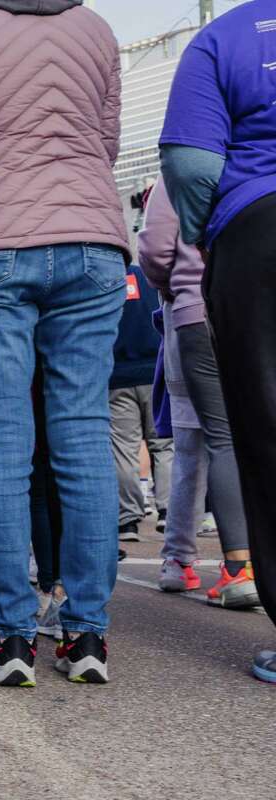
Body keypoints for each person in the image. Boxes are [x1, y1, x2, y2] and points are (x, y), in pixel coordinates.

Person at [0, 0, 127, 686]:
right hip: (92, 237)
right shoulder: (97, 29)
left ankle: (13, 638)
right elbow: (107, 143)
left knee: (2, 437)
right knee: (84, 432)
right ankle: (87, 632)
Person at [160, 2, 276, 681]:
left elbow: (194, 164)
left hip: (257, 233)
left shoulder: (222, 37)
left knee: (264, 431)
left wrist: (209, 233)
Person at [138, 176, 258, 605]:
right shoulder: (260, 163)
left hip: (195, 311)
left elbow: (154, 249)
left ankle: (190, 561)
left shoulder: (184, 168)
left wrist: (176, 288)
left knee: (199, 438)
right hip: (259, 306)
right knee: (259, 436)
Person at [109, 264, 172, 542]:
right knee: (165, 444)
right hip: (154, 370)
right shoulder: (149, 276)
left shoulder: (100, 280)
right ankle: (169, 511)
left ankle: (128, 521)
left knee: (123, 449)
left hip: (117, 375)